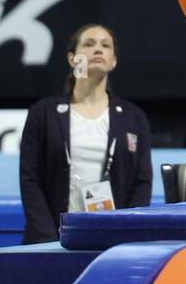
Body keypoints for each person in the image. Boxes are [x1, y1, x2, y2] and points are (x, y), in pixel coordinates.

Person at [19, 22, 153, 243]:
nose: (98, 49)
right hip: (52, 240)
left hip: (112, 242)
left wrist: (126, 234)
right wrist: (48, 240)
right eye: (89, 44)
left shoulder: (134, 117)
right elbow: (30, 180)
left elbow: (142, 183)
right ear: (73, 59)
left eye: (105, 45)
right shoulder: (43, 113)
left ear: (114, 61)